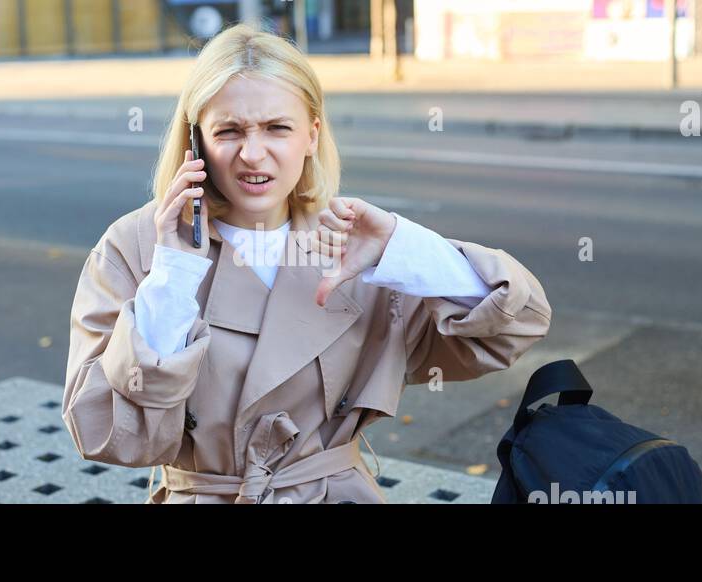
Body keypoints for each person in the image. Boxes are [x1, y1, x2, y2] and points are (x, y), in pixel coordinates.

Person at [62, 24, 552, 503]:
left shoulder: (356, 241)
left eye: (277, 128)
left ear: (312, 135)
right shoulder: (137, 245)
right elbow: (103, 432)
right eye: (229, 131)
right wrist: (173, 277)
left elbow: (515, 326)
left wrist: (405, 250)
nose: (253, 155)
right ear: (196, 142)